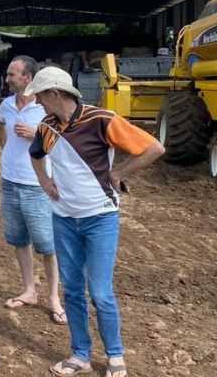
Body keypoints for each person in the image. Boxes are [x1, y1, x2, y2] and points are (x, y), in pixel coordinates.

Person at [25, 66, 165, 377]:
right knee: (73, 289)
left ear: (56, 94)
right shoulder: (47, 126)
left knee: (100, 292)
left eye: (40, 97)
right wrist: (44, 180)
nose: (37, 103)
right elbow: (36, 155)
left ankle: (115, 356)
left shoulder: (101, 119)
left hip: (100, 217)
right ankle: (80, 355)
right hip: (64, 218)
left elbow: (154, 148)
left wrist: (118, 173)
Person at [0, 56, 66, 328]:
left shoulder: (46, 107)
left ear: (28, 77)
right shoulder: (6, 105)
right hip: (9, 182)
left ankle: (54, 299)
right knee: (18, 240)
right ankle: (29, 290)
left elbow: (64, 138)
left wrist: (36, 134)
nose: (7, 78)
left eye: (12, 74)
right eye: (8, 74)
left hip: (37, 185)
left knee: (48, 247)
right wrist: (5, 150)